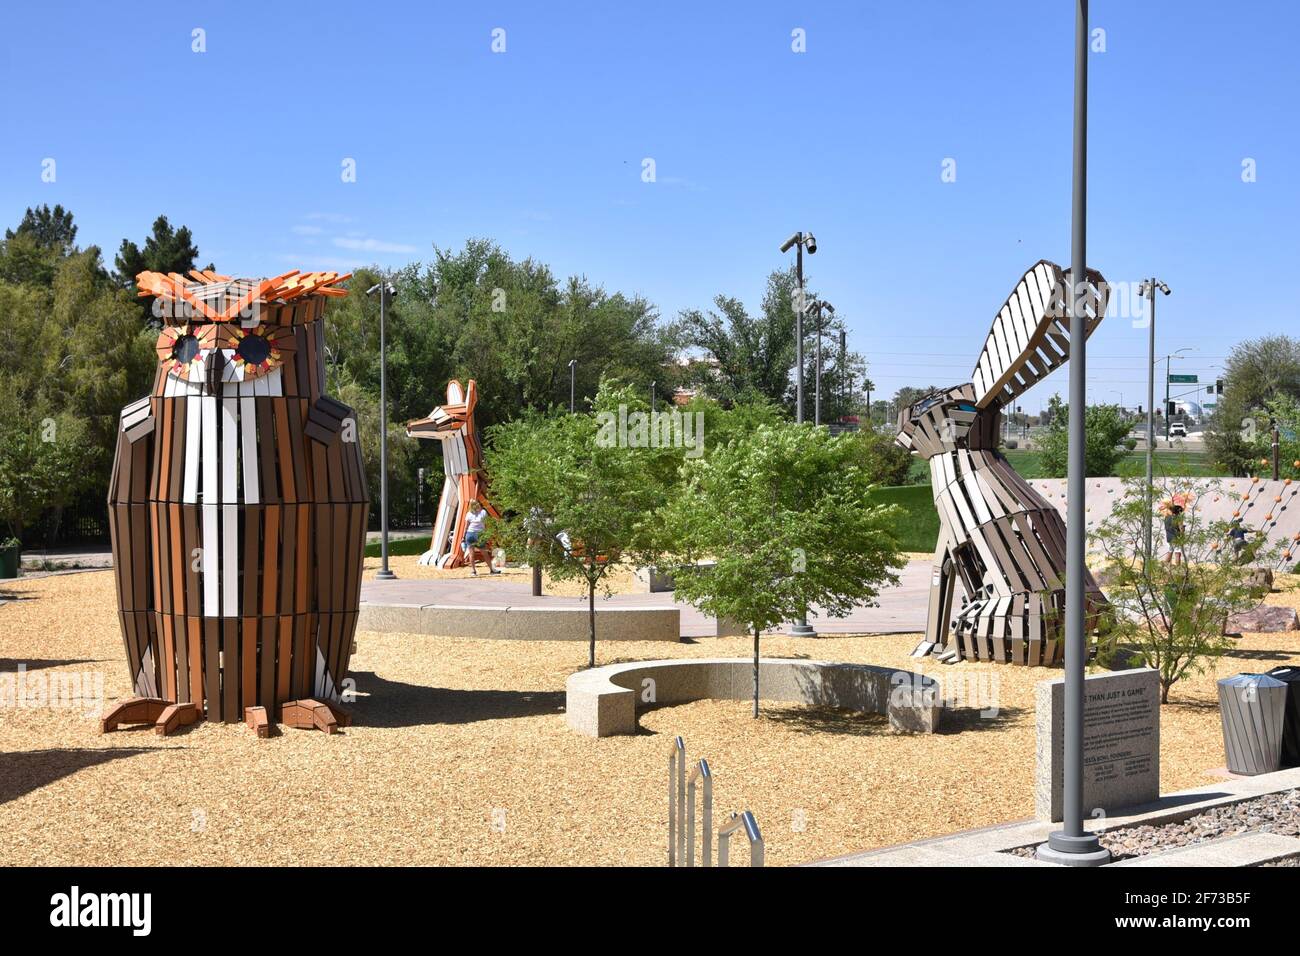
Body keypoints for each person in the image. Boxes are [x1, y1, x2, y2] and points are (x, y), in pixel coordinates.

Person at [463, 501, 498, 576]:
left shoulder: (469, 513)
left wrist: (463, 537)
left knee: (471, 553)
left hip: (469, 534)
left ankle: (473, 571)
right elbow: (485, 525)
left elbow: (466, 527)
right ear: (478, 504)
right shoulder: (483, 512)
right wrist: (486, 535)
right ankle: (492, 570)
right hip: (479, 535)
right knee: (485, 554)